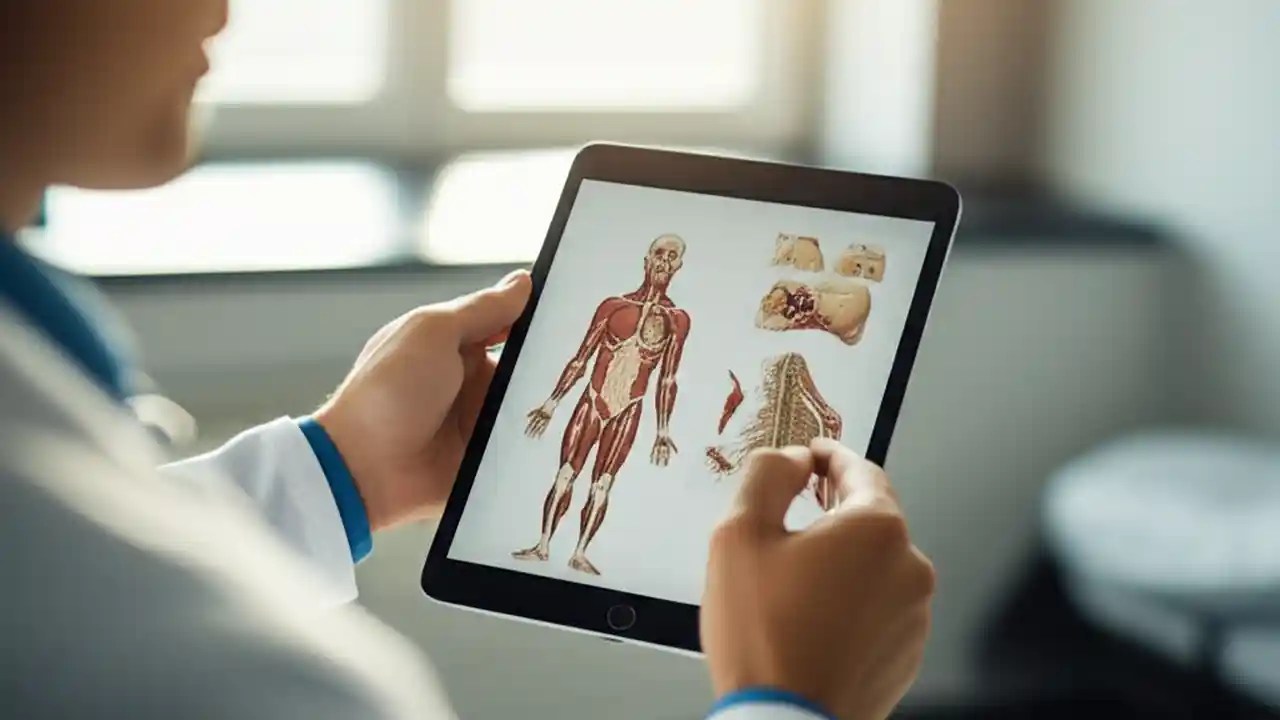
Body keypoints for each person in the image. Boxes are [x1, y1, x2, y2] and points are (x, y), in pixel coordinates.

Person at [0, 2, 936, 719]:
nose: (222, 11)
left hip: (617, 417)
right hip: (592, 406)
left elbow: (95, 576)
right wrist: (790, 697)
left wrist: (344, 468)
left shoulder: (38, 355)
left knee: (592, 478)